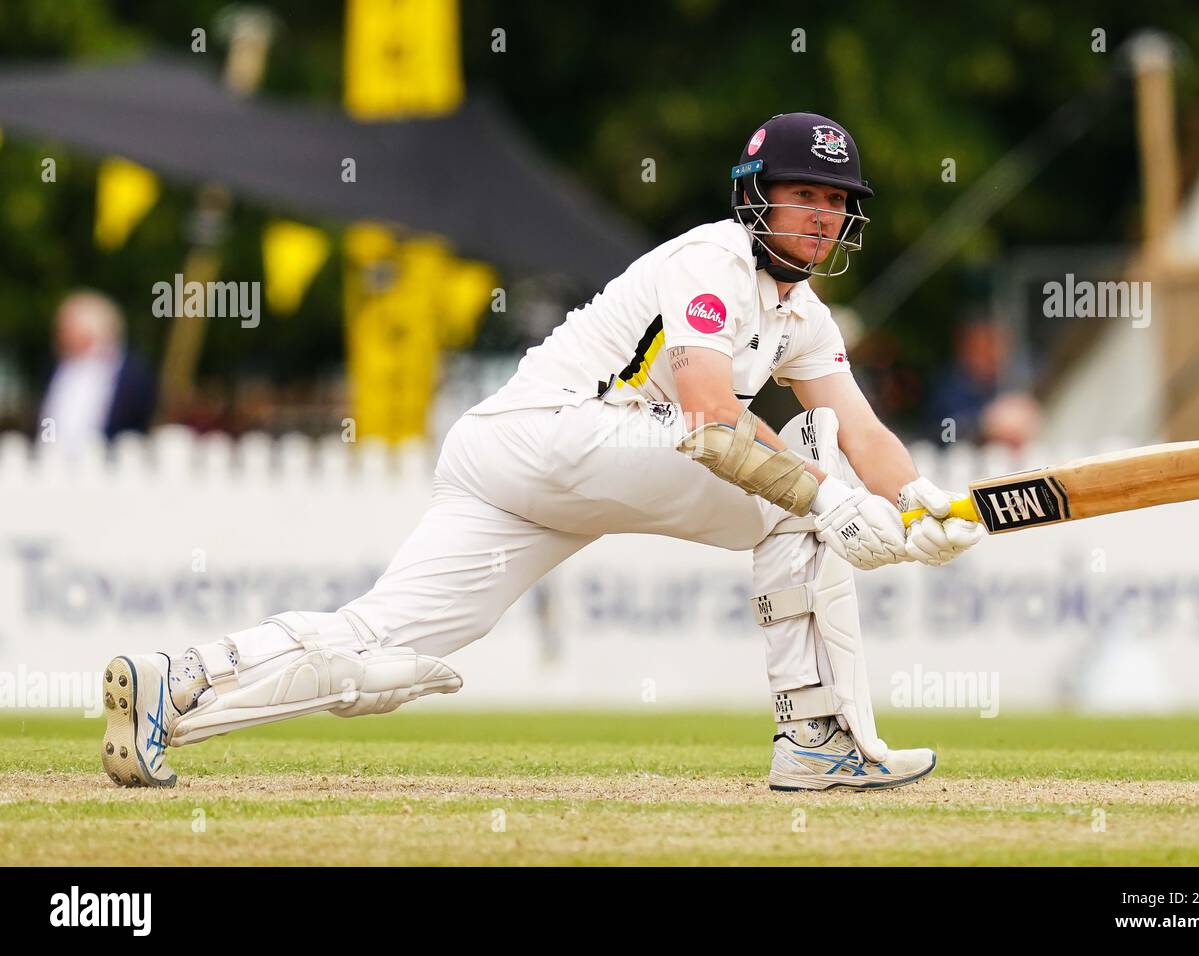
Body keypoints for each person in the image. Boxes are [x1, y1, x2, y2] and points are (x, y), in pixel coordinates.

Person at [100, 113, 983, 792]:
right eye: (805, 194)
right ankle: (816, 741)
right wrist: (833, 504)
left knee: (381, 649)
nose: (823, 217)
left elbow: (866, 431)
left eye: (836, 202)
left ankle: (170, 690)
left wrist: (921, 504)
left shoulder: (803, 314)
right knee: (802, 475)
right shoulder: (712, 262)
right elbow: (714, 422)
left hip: (510, 457)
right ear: (755, 194)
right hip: (565, 431)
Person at [39, 290, 156, 455]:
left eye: (66, 329)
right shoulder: (57, 370)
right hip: (54, 463)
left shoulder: (132, 375)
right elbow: (47, 419)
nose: (59, 336)